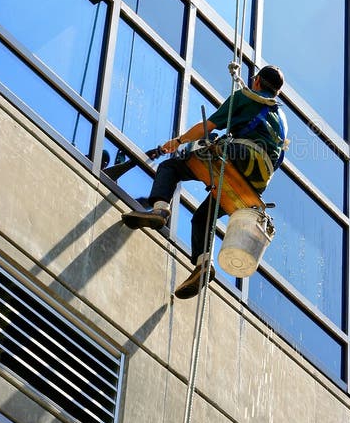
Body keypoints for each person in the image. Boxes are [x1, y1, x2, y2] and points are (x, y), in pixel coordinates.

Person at [122, 65, 288, 298]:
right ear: (277, 92)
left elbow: (206, 127)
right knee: (203, 218)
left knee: (171, 167)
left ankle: (160, 211)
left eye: (254, 80)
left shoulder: (245, 97)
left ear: (257, 81)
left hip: (238, 157)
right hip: (256, 182)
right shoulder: (281, 120)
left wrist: (179, 141)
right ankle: (203, 265)